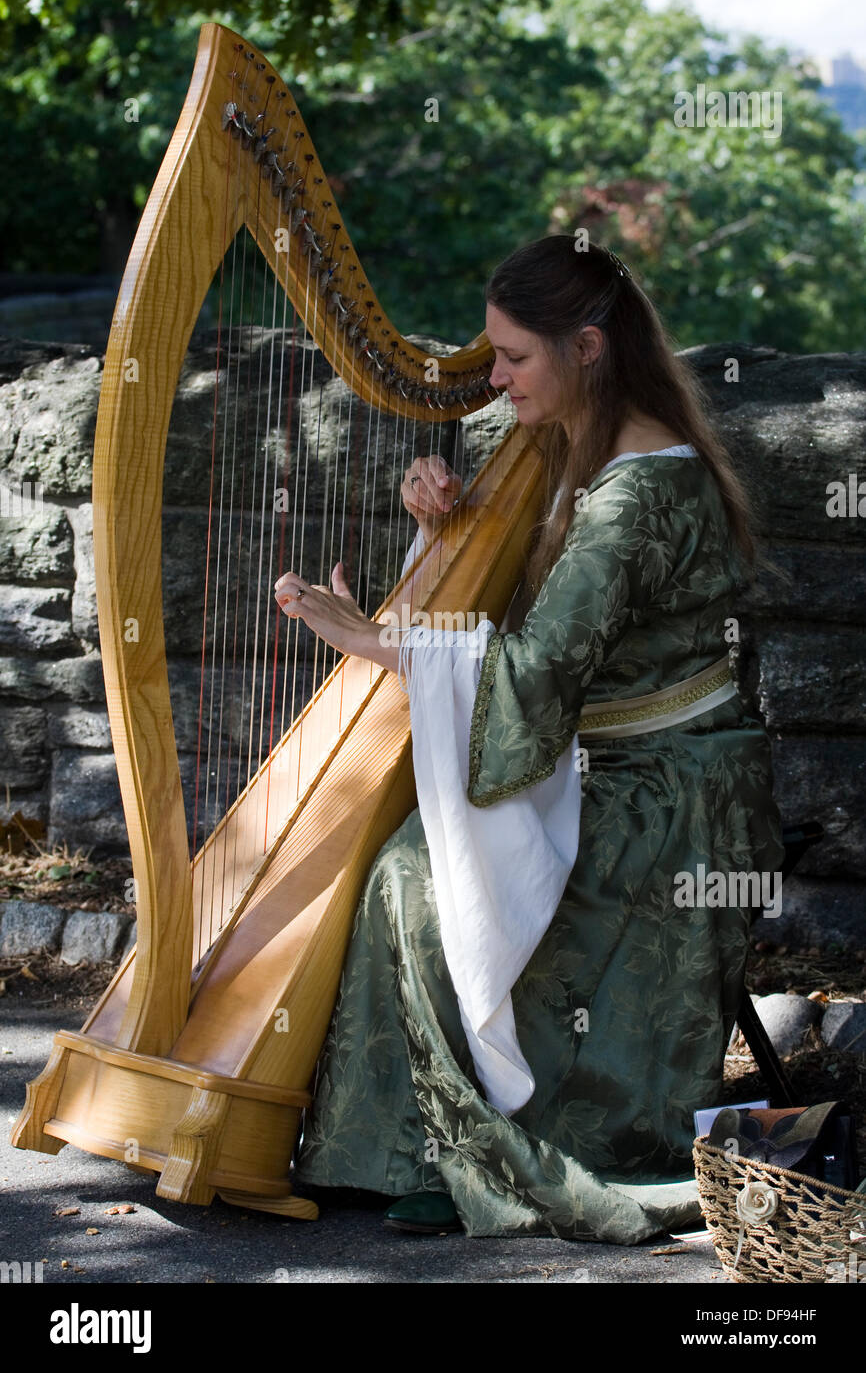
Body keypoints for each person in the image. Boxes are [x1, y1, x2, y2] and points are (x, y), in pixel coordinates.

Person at [273, 235, 785, 1243]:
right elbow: (518, 615)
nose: (492, 377)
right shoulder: (570, 449)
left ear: (585, 346)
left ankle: (459, 1149)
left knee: (408, 876)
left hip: (666, 801)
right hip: (602, 761)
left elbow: (536, 670)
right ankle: (411, 1148)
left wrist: (377, 639)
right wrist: (442, 520)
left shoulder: (640, 492)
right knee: (411, 864)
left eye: (511, 359)